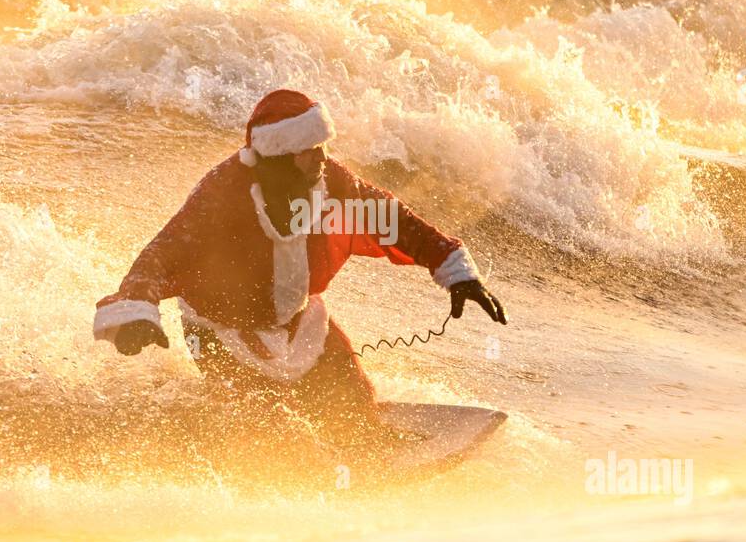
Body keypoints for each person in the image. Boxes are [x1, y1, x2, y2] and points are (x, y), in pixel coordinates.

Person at [93, 89, 507, 442]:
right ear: (278, 156)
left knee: (350, 394)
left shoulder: (332, 183)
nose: (321, 157)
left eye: (321, 145)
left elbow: (392, 219)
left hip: (299, 319)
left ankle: (363, 443)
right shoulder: (222, 195)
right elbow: (162, 255)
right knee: (267, 428)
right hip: (220, 329)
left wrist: (457, 274)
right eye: (308, 151)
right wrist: (137, 314)